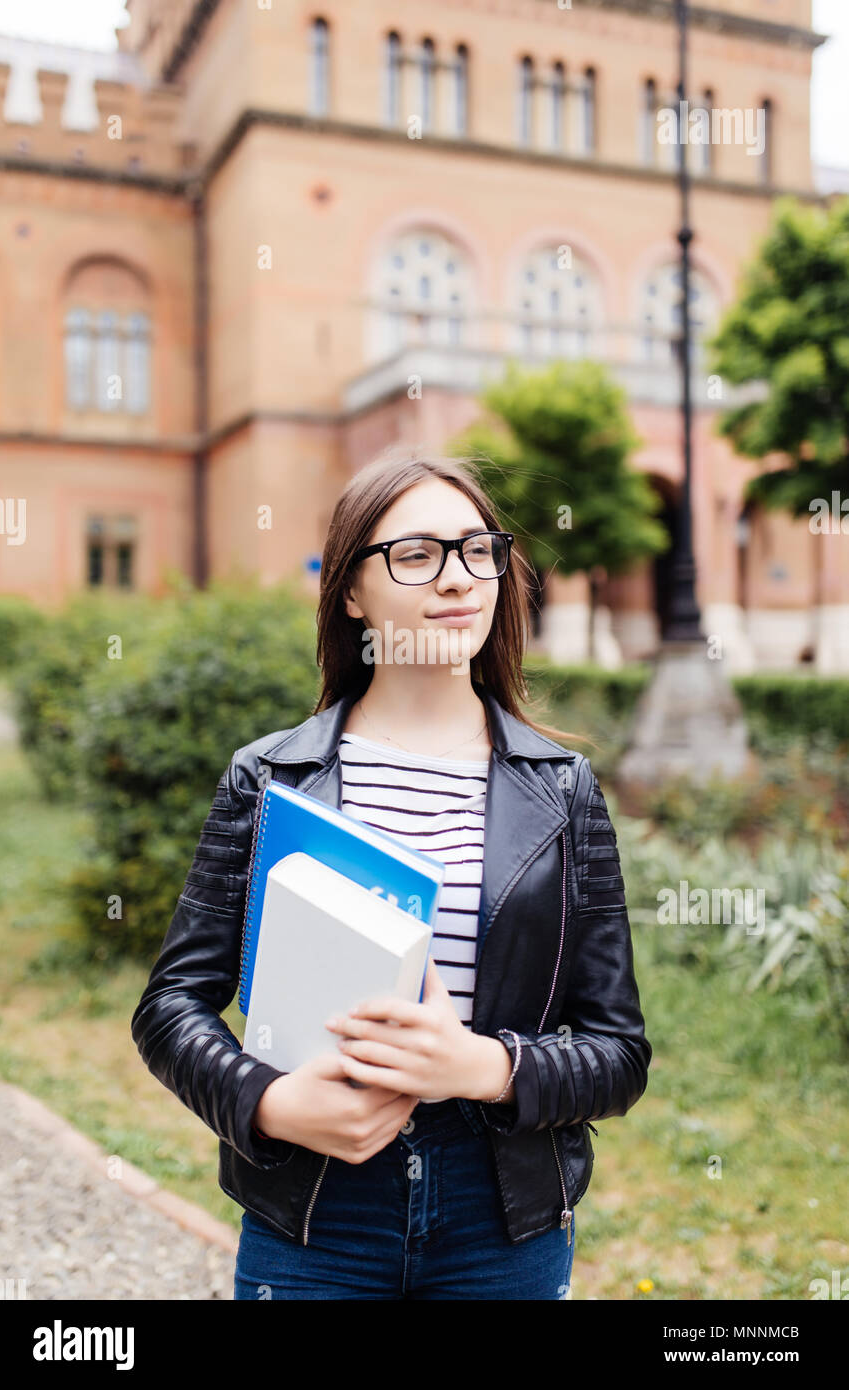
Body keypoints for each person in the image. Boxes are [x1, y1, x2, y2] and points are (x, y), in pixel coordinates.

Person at [131, 446, 652, 1300]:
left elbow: (619, 1051)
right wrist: (266, 1104)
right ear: (350, 591)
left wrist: (482, 1067)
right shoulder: (270, 779)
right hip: (315, 1211)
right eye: (415, 554)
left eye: (478, 549)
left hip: (501, 1221)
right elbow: (170, 1005)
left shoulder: (563, 791)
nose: (458, 578)